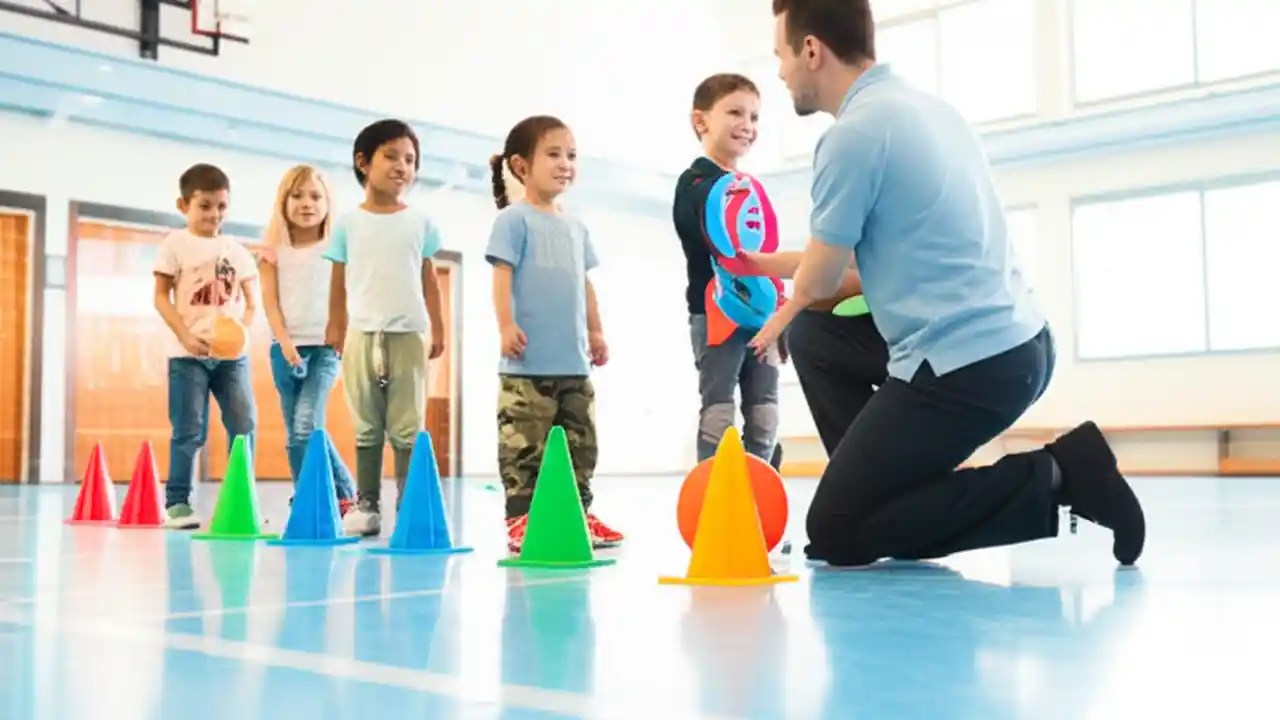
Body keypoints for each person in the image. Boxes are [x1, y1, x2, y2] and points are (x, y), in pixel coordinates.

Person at [764, 0, 1145, 566]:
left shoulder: (852, 136)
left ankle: (1062, 473)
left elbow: (818, 279)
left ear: (812, 50)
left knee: (838, 532)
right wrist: (770, 272)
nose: (780, 72)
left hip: (971, 366)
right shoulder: (929, 110)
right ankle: (884, 487)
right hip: (1019, 345)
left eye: (781, 55)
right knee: (814, 339)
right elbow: (859, 276)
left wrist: (776, 309)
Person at [485, 114, 625, 553]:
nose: (565, 163)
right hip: (527, 365)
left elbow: (583, 283)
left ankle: (579, 511)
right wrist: (506, 325)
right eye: (553, 154)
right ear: (521, 166)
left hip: (574, 363)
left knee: (581, 444)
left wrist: (597, 331)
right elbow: (502, 277)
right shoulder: (513, 220)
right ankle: (521, 518)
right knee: (524, 445)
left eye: (571, 155)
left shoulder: (576, 226)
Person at [323, 119, 446, 537]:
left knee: (408, 422)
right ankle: (367, 504)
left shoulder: (421, 222)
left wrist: (439, 328)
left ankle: (409, 504)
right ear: (363, 162)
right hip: (360, 333)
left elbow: (429, 278)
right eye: (391, 156)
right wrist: (335, 328)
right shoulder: (346, 223)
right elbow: (338, 281)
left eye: (410, 160)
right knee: (367, 422)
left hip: (409, 333)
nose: (402, 167)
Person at [672, 73, 782, 469]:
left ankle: (761, 500)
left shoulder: (748, 188)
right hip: (715, 312)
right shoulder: (695, 182)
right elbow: (712, 237)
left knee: (765, 412)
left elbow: (764, 252)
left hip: (762, 315)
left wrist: (780, 310)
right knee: (720, 411)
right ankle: (714, 500)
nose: (747, 125)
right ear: (700, 121)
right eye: (735, 112)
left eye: (754, 116)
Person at [152, 163, 259, 530]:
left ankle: (241, 498)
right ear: (184, 205)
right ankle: (178, 503)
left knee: (244, 424)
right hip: (188, 357)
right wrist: (184, 334)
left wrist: (240, 332)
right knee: (188, 429)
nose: (214, 215)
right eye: (205, 206)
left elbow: (252, 303)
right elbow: (160, 297)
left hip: (231, 359)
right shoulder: (174, 245)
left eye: (222, 207)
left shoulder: (237, 251)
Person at [258, 164, 356, 514]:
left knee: (304, 429)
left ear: (328, 203)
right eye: (297, 195)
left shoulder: (336, 246)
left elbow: (347, 294)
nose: (306, 203)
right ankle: (344, 492)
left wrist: (343, 334)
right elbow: (270, 302)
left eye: (316, 196)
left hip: (325, 350)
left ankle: (308, 498)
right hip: (284, 351)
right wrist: (283, 342)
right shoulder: (272, 249)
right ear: (283, 201)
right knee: (302, 431)